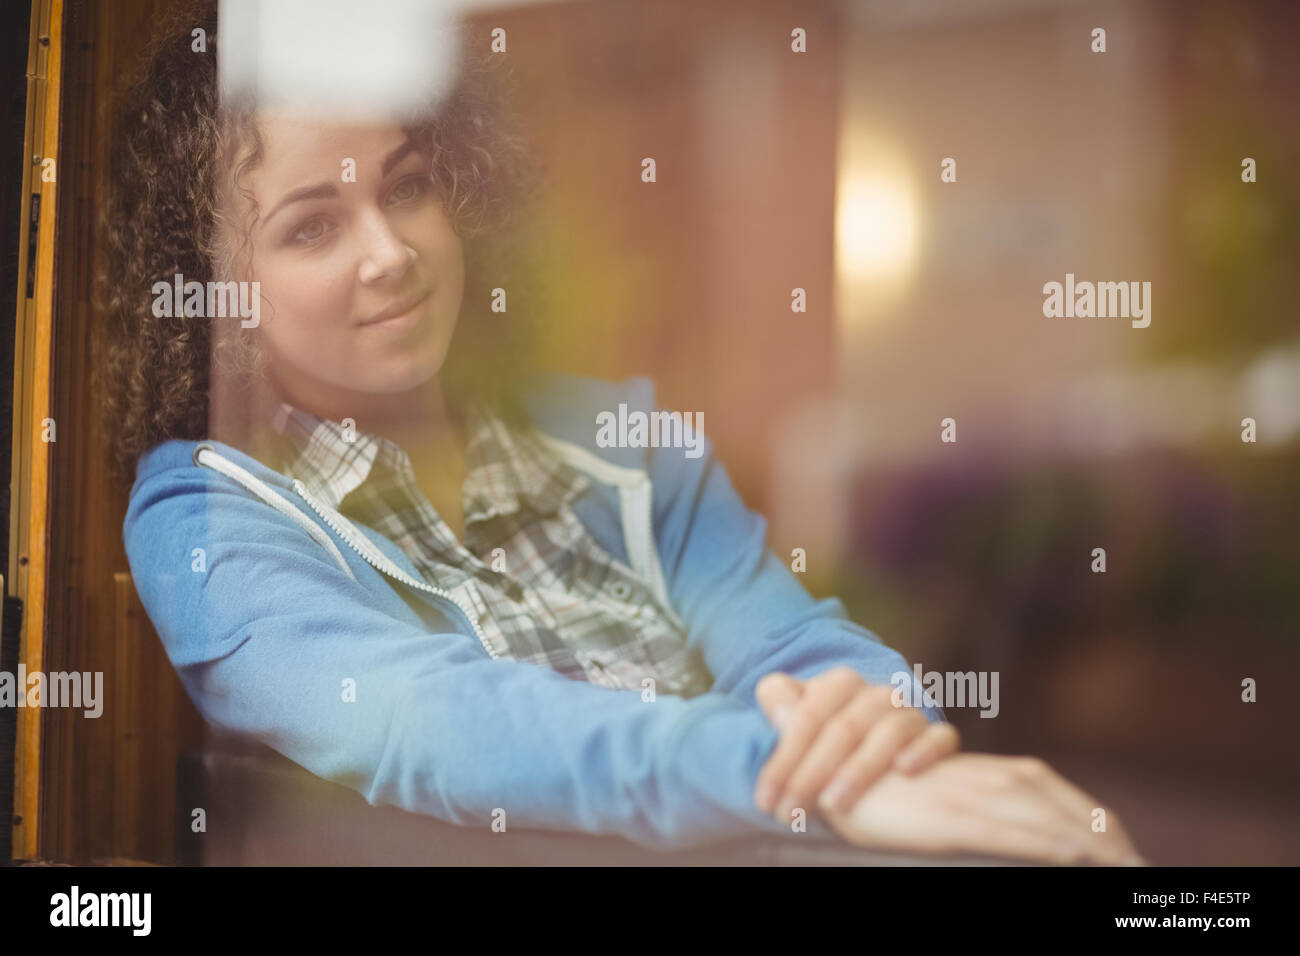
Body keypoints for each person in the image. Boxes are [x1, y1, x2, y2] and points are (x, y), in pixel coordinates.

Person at [98, 0, 1141, 863]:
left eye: (407, 186)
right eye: (312, 226)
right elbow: (441, 725)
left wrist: (874, 736)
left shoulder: (622, 440)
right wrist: (780, 780)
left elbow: (789, 641)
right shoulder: (207, 519)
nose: (390, 253)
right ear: (212, 289)